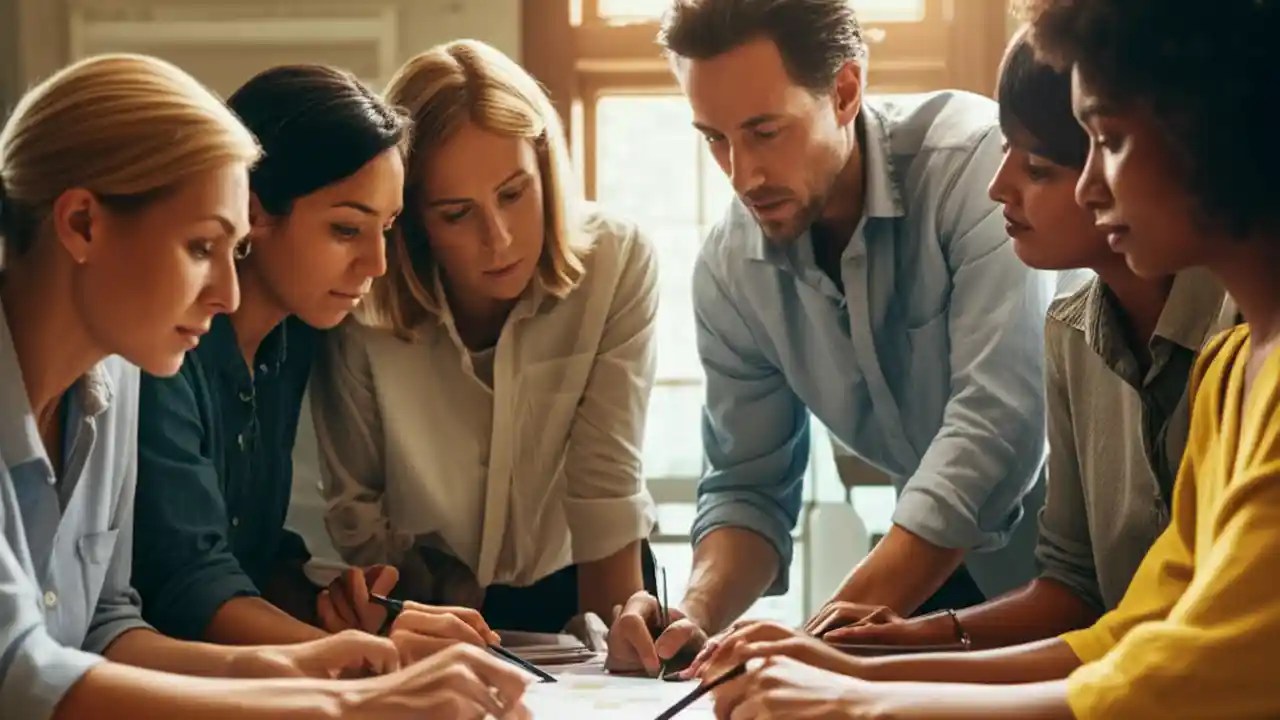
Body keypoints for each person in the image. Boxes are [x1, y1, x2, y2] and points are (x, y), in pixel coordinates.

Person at [701, 1, 1280, 717]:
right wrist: (863, 668)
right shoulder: (1231, 372)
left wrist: (859, 699)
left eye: (1109, 141)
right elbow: (1130, 633)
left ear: (1215, 132)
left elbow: (1211, 667)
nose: (1093, 185)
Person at [0, 52, 530, 720]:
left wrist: (304, 666)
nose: (226, 291)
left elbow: (104, 626)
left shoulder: (114, 381)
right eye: (200, 247)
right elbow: (19, 673)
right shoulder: (148, 363)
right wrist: (343, 705)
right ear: (81, 224)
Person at [608, 0, 1055, 674]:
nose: (741, 173)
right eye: (715, 138)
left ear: (844, 91)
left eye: (765, 131)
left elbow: (998, 427)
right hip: (950, 587)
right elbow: (748, 486)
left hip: (1107, 571)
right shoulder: (731, 272)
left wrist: (815, 642)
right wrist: (692, 615)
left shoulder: (973, 168)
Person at [130, 64, 496, 659]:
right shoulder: (164, 349)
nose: (377, 263)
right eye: (347, 229)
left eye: (388, 226)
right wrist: (368, 663)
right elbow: (186, 586)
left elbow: (248, 550)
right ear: (253, 210)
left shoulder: (290, 341)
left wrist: (328, 607)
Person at [308, 39, 659, 635]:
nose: (498, 240)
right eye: (456, 213)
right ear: (412, 216)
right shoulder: (362, 298)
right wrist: (416, 621)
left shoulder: (617, 260)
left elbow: (606, 485)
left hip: (584, 575)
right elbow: (356, 509)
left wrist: (619, 654)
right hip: (422, 591)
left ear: (544, 166)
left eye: (514, 194)